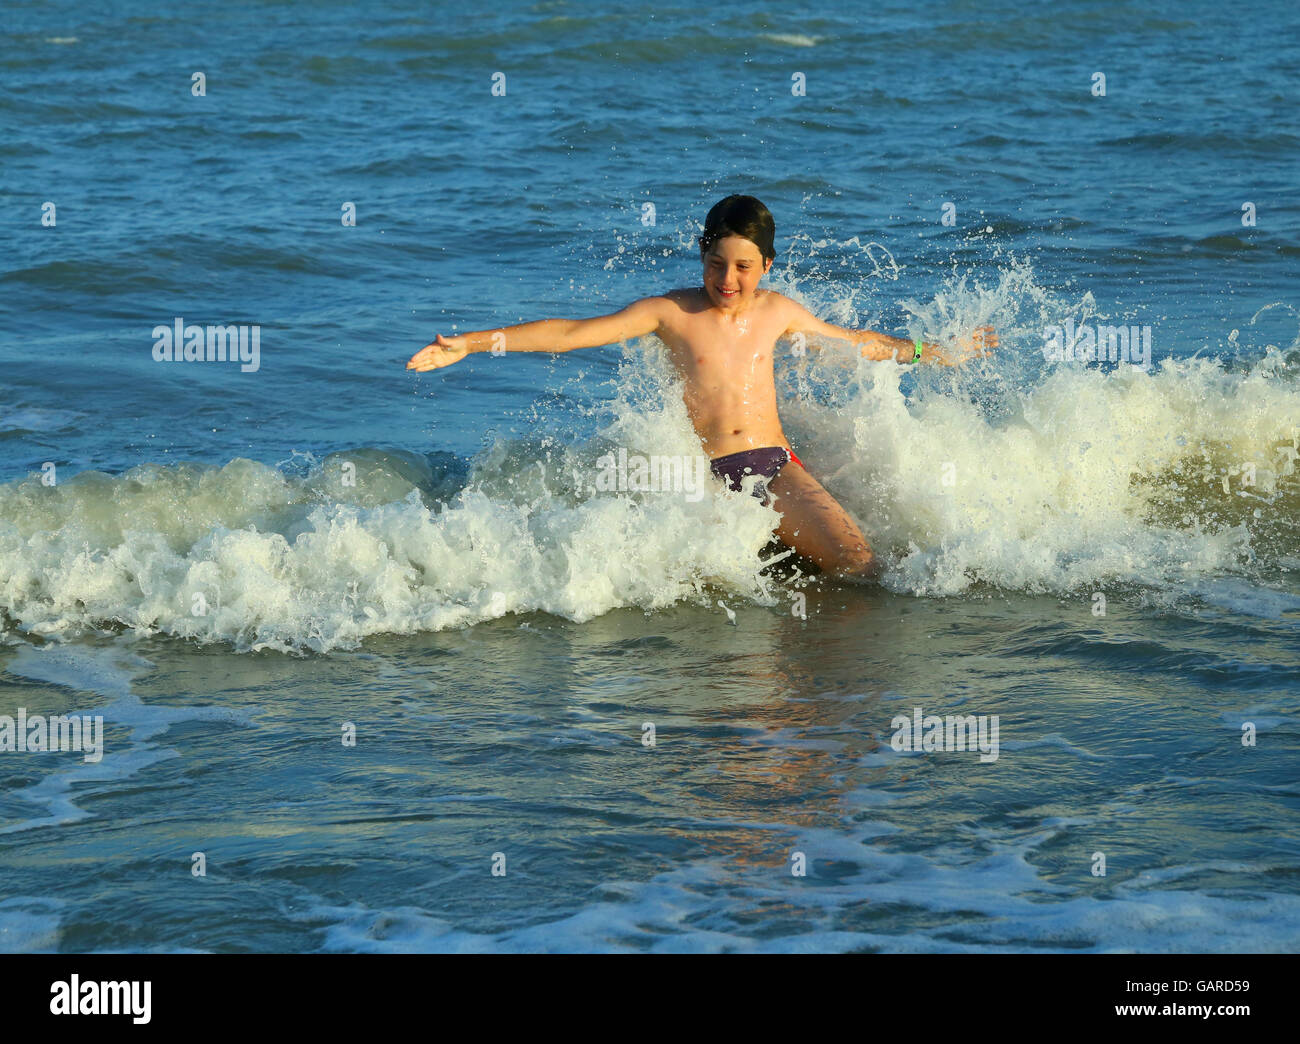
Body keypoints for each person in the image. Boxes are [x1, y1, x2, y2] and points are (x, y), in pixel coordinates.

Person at [406, 194, 995, 579]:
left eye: (742, 266)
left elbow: (856, 343)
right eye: (716, 263)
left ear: (766, 264)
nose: (728, 279)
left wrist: (935, 352)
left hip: (772, 464)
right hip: (704, 477)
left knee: (857, 565)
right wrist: (473, 343)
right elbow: (570, 333)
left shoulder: (779, 313)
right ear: (702, 255)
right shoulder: (670, 313)